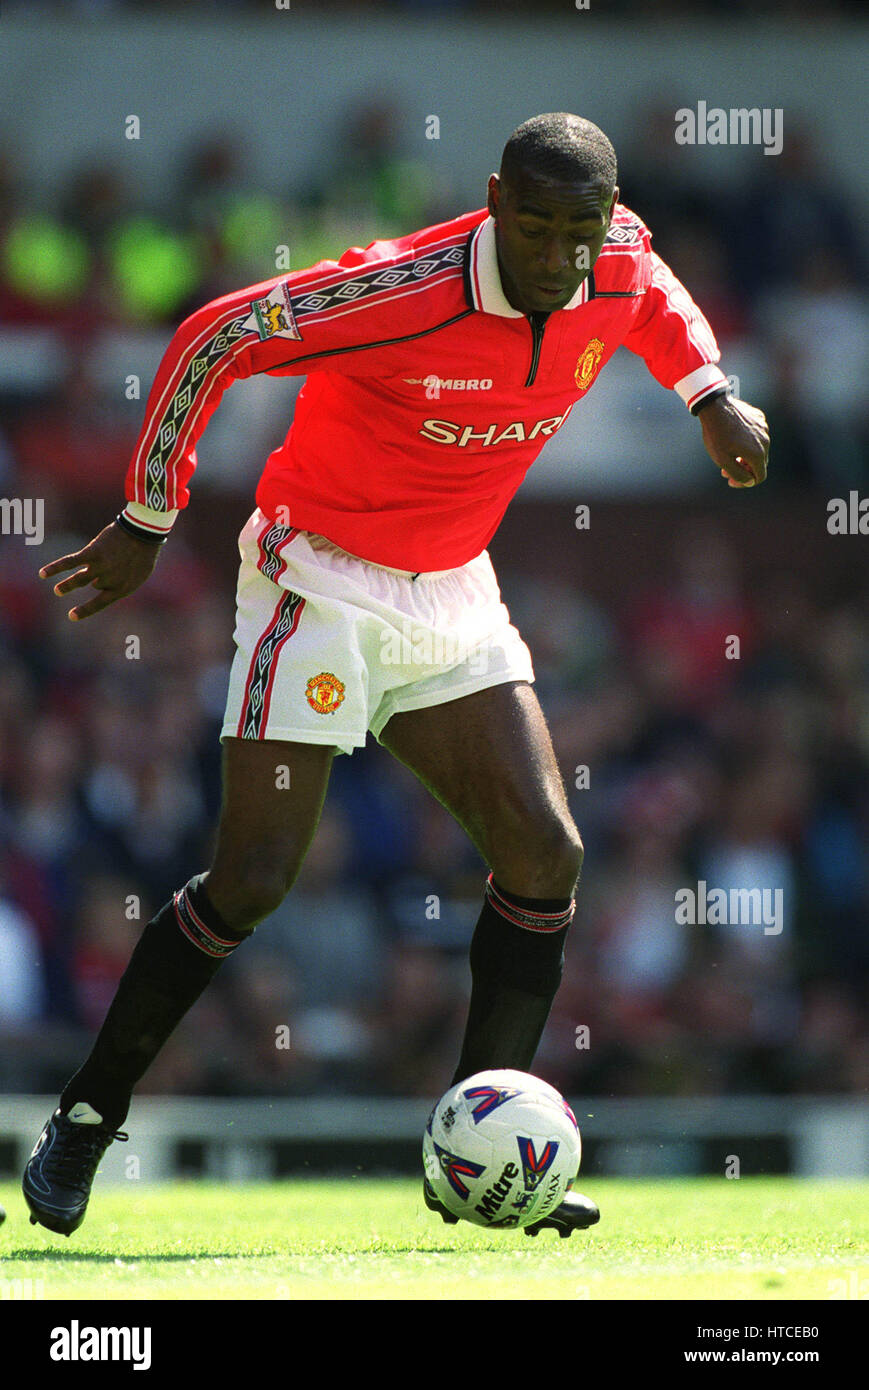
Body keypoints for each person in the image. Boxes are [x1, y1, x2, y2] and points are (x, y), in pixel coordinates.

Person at [23, 113, 769, 1239]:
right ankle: (85, 1115)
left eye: (579, 231)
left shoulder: (614, 257)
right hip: (314, 579)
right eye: (535, 225)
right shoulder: (397, 289)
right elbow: (213, 334)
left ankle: (474, 1155)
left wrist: (708, 394)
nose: (560, 255)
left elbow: (654, 290)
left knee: (543, 852)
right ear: (491, 199)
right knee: (254, 879)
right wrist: (148, 512)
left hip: (450, 586)